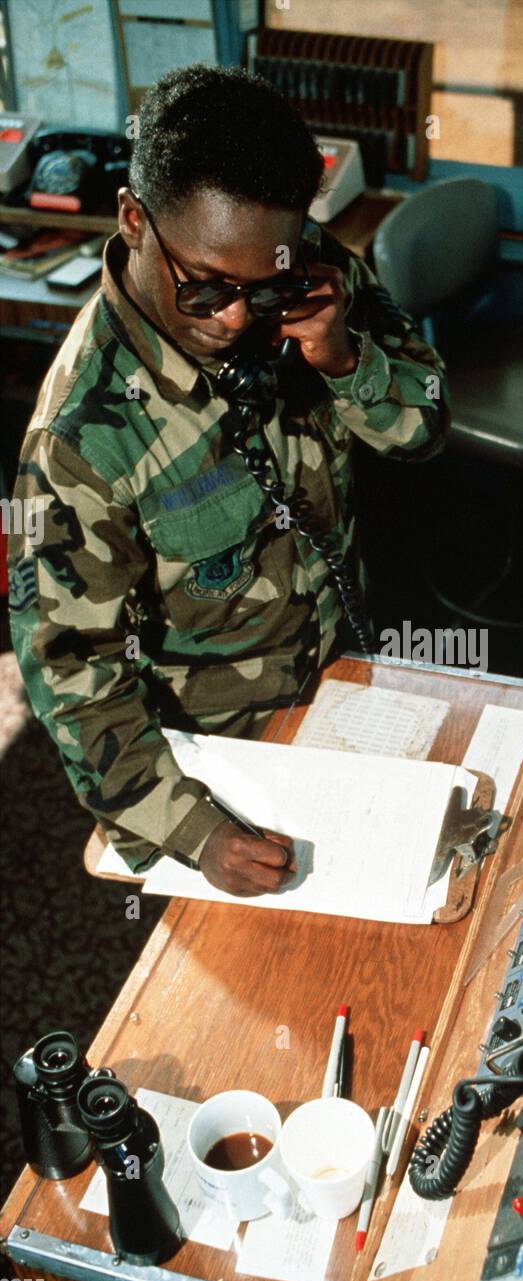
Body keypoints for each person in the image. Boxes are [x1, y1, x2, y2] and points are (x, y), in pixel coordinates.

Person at [8, 65, 449, 897]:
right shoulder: (77, 443)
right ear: (134, 221)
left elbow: (425, 430)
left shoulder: (312, 272)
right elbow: (71, 679)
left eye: (263, 288)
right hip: (223, 756)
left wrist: (346, 361)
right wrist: (196, 831)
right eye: (206, 285)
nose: (238, 319)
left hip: (349, 672)